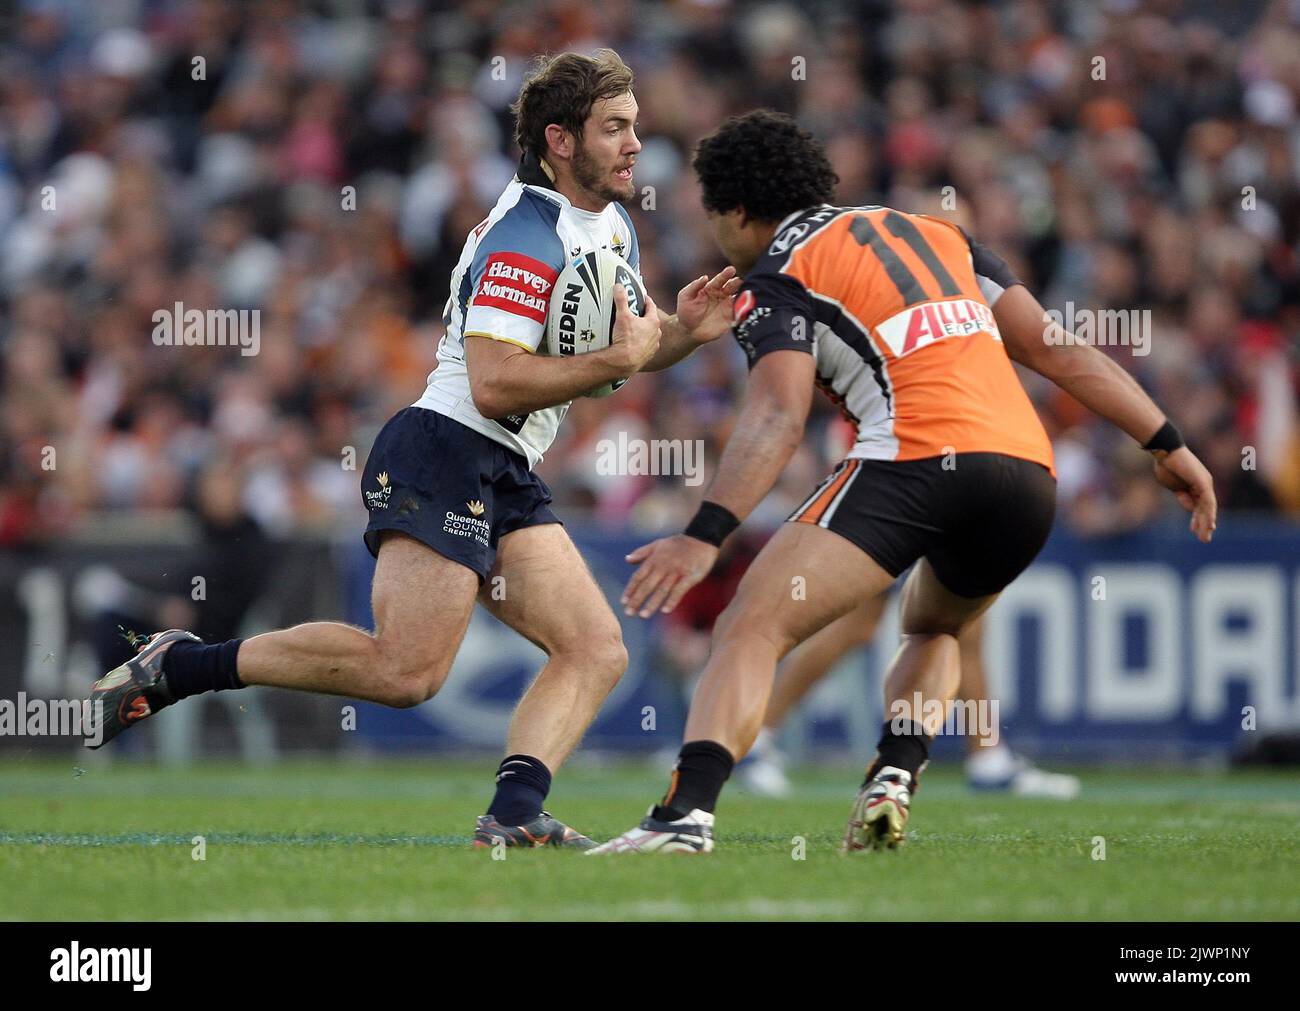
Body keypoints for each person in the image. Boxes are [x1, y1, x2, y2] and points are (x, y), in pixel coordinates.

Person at [85, 50, 740, 850]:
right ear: (560, 141)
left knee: (594, 646)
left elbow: (626, 349)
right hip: (447, 447)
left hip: (505, 466)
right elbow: (500, 382)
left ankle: (511, 816)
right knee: (407, 673)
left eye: (635, 124)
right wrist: (629, 358)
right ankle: (180, 666)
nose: (637, 142)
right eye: (616, 128)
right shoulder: (523, 237)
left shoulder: (612, 226)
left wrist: (682, 336)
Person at [591, 110, 1215, 854]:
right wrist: (1166, 440)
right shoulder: (938, 234)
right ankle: (894, 771)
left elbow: (775, 417)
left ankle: (682, 818)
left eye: (713, 216)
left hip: (912, 459)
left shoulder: (778, 272)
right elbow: (1058, 349)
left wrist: (706, 535)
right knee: (936, 625)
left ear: (736, 211)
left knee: (751, 624)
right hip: (1024, 474)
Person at [742, 603, 1081, 799]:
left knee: (965, 624)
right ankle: (757, 735)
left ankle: (987, 756)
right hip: (917, 491)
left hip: (923, 491)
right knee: (860, 625)